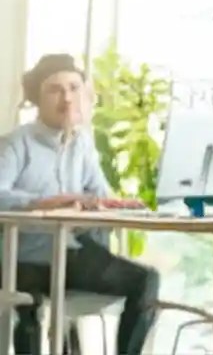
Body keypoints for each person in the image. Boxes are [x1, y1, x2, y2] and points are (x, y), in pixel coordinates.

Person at [0, 54, 159, 355]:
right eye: (55, 90)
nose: (67, 98)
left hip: (71, 254)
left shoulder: (83, 143)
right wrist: (41, 203)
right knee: (28, 305)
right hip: (23, 258)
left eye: (74, 88)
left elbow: (99, 193)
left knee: (146, 280)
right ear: (36, 98)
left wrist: (117, 204)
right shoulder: (16, 143)